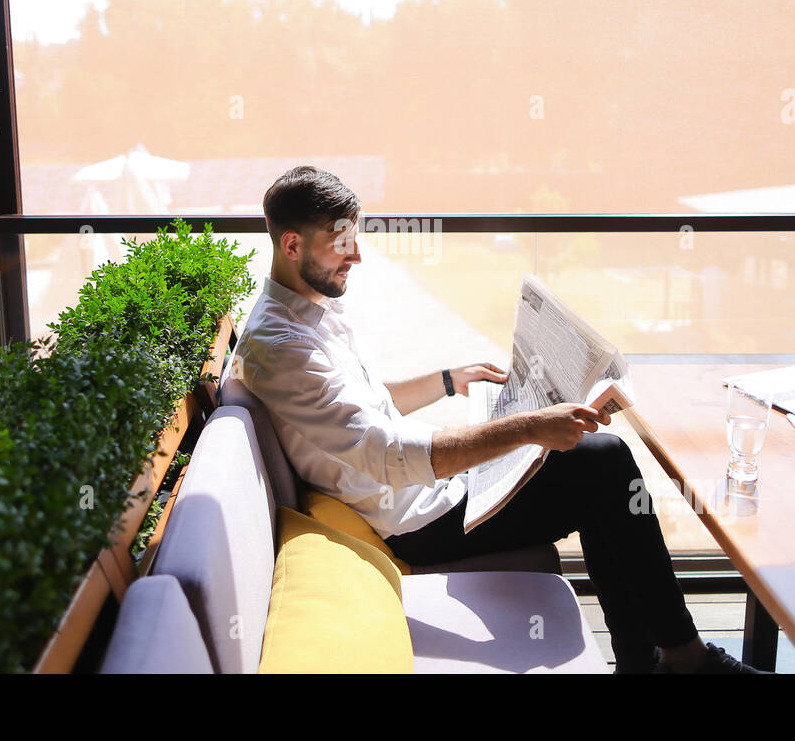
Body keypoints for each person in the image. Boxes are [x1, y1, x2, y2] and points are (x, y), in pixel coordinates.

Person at [230, 165, 764, 674]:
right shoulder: (280, 347)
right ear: (292, 244)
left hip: (425, 493)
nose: (357, 257)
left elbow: (360, 406)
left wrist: (447, 379)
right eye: (340, 241)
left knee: (595, 472)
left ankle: (646, 658)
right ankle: (683, 656)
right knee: (602, 463)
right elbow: (389, 454)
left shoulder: (306, 311)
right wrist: (529, 428)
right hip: (419, 521)